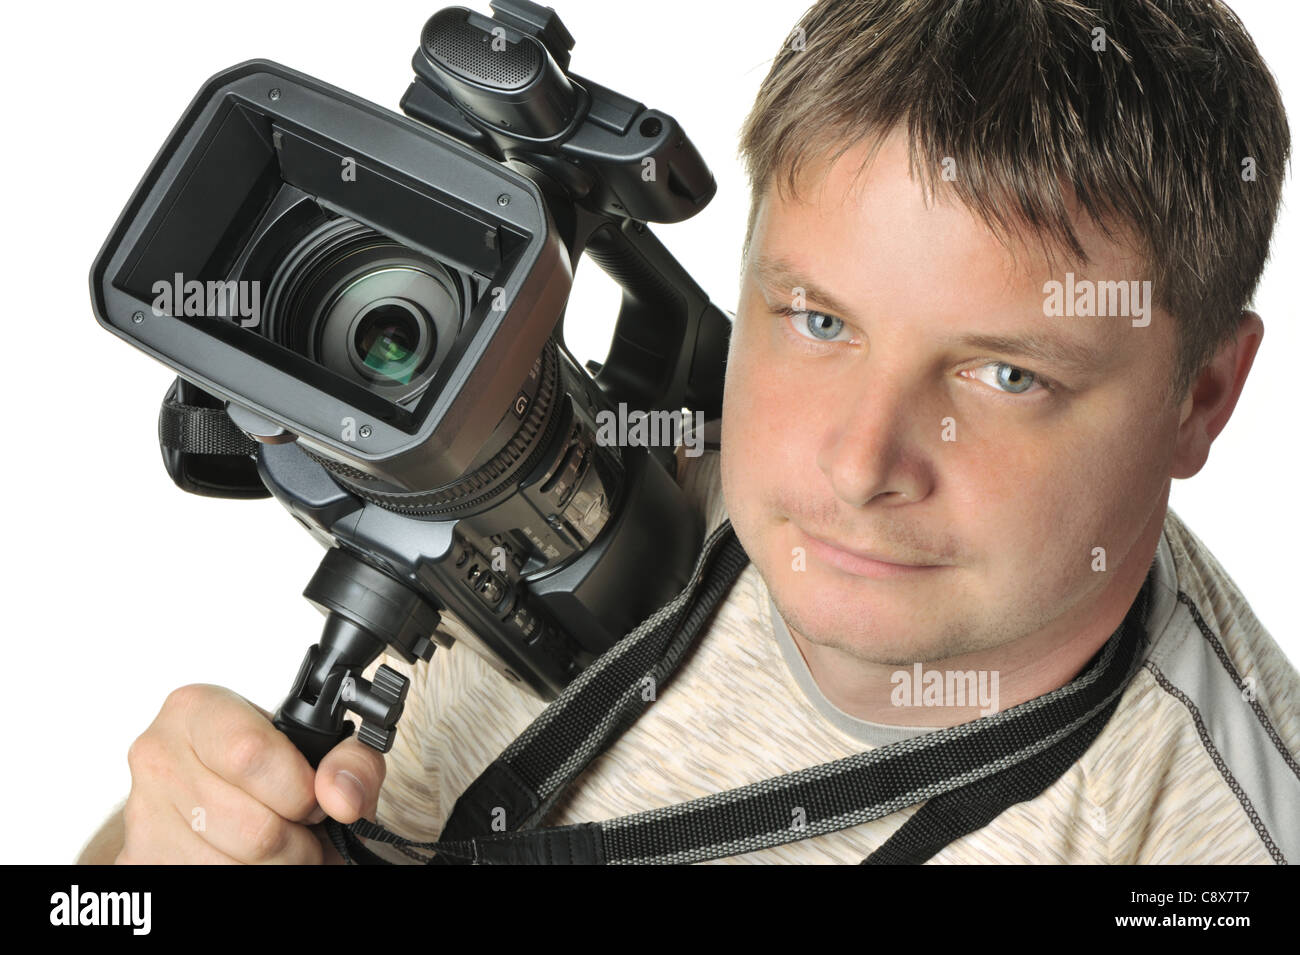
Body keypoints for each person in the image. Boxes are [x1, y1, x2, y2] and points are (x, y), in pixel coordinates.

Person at [78, 0, 1298, 865]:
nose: (856, 465)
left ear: (1202, 397)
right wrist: (154, 856)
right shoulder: (597, 463)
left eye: (1003, 374)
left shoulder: (1203, 837)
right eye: (819, 319)